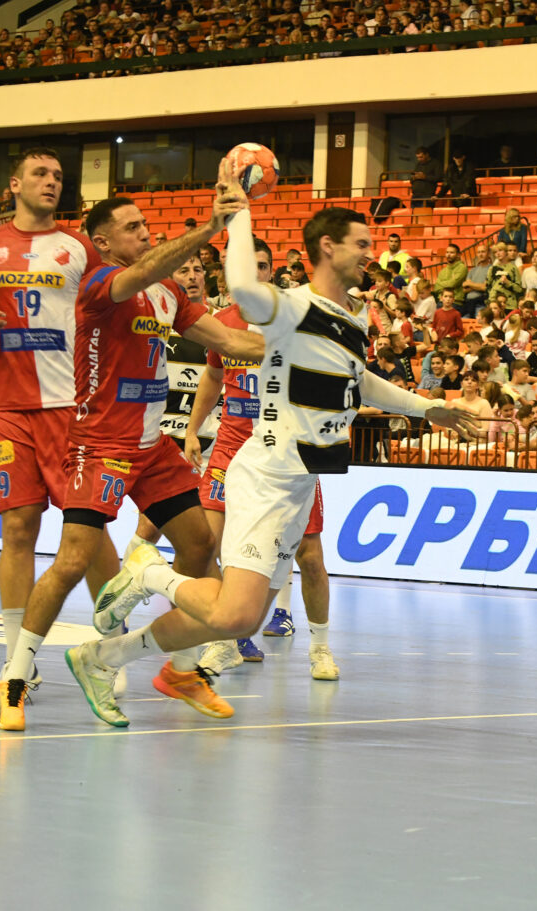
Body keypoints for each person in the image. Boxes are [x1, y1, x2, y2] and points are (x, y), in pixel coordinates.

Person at [63, 205, 479, 727]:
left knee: (243, 618)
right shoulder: (292, 307)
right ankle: (148, 572)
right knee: (233, 614)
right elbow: (240, 285)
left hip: (302, 480)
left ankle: (106, 659)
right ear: (328, 248)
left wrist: (428, 408)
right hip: (266, 475)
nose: (370, 252)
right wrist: (235, 213)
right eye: (361, 243)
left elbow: (360, 381)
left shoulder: (350, 315)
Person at [0, 169, 264, 732]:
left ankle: (181, 671)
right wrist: (213, 226)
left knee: (199, 545)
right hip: (99, 443)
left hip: (152, 446)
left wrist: (311, 346)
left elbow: (233, 341)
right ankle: (13, 678)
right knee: (71, 561)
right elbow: (144, 268)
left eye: (146, 225)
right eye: (132, 227)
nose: (144, 232)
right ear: (103, 242)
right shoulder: (97, 286)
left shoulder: (166, 294)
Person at [0, 147, 123, 705]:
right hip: (11, 410)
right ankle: (15, 655)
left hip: (74, 409)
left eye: (59, 176)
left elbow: (114, 307)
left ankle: (109, 650)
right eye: (42, 175)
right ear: (14, 183)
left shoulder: (80, 247)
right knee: (17, 530)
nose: (52, 183)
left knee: (88, 537)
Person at [182, 239, 339, 681]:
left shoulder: (295, 320)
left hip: (286, 455)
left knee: (309, 554)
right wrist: (194, 428)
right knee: (208, 545)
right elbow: (214, 374)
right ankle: (224, 639)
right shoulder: (220, 324)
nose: (258, 274)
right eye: (248, 268)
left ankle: (320, 648)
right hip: (231, 448)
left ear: (274, 271)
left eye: (265, 266)